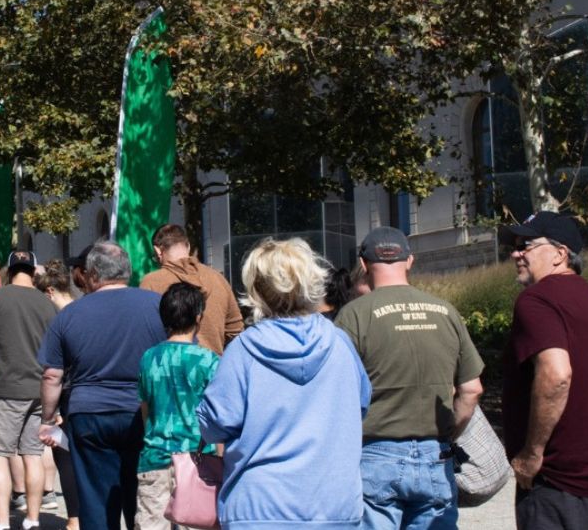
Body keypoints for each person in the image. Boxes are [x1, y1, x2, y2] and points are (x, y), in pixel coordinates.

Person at [196, 238, 371, 528]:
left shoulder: (245, 349)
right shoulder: (339, 342)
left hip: (259, 506)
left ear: (257, 289)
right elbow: (361, 406)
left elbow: (215, 424)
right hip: (332, 504)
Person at [335, 226, 484, 529]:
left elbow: (335, 391)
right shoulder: (446, 312)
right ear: (410, 261)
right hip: (436, 453)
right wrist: (448, 434)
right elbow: (471, 389)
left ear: (363, 265)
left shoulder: (353, 315)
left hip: (374, 453)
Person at [500, 211, 588, 529]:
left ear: (560, 254)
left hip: (559, 482)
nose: (516, 253)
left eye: (526, 244)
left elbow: (556, 375)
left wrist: (532, 454)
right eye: (515, 245)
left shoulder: (537, 301)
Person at [37, 241, 166, 530]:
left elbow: (51, 376)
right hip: (143, 414)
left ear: (92, 274)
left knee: (95, 502)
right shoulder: (157, 306)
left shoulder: (69, 315)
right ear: (128, 272)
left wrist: (47, 419)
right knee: (144, 499)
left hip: (89, 415)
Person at [0, 251, 59, 530]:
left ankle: (1, 522)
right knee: (32, 455)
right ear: (33, 271)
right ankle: (32, 518)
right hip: (39, 389)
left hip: (5, 387)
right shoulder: (47, 304)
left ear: (9, 271)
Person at [134, 283, 220, 530]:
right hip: (199, 461)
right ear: (198, 317)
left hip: (155, 457)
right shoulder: (208, 361)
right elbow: (218, 417)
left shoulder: (148, 358)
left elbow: (145, 409)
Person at [138, 224, 244, 354]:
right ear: (187, 246)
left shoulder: (150, 283)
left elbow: (143, 332)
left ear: (158, 251)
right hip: (212, 368)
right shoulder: (218, 278)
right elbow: (236, 330)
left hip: (168, 368)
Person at [34, 259, 79, 530]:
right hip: (87, 393)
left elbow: (53, 372)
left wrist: (50, 414)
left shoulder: (60, 320)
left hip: (69, 397)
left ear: (50, 292)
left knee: (67, 459)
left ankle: (74, 519)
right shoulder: (85, 310)